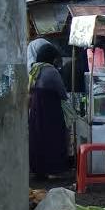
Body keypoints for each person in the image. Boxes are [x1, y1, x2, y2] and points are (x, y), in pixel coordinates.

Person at [27, 39, 69, 179]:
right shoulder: (50, 70)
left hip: (35, 108)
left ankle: (39, 170)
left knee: (37, 137)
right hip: (50, 109)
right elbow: (62, 92)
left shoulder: (34, 68)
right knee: (53, 138)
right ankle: (53, 170)